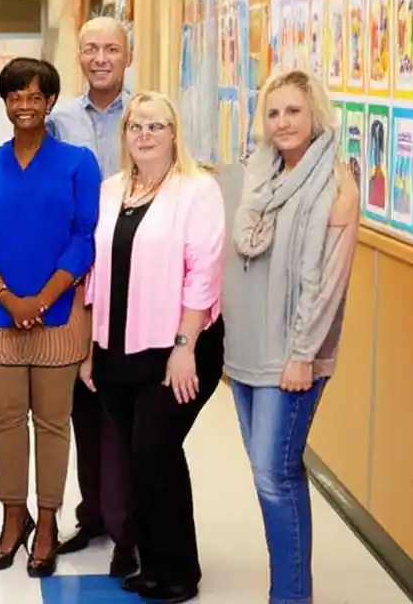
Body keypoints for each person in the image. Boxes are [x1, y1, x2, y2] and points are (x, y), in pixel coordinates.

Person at [219, 68, 360, 604]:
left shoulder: (335, 184)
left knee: (273, 474)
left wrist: (303, 355)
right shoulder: (261, 174)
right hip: (251, 351)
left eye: (294, 111)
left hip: (294, 356)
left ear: (315, 113)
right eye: (274, 112)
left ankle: (291, 597)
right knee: (274, 474)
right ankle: (292, 590)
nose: (283, 123)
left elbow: (326, 284)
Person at [83, 92, 226, 603]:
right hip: (117, 347)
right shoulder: (111, 189)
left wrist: (185, 345)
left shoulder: (197, 189)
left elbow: (204, 273)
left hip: (178, 349)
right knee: (136, 455)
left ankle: (180, 572)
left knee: (154, 449)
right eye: (136, 126)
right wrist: (88, 350)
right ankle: (152, 562)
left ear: (174, 134)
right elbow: (96, 274)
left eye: (156, 126)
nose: (145, 135)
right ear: (125, 136)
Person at [0, 57, 101, 578]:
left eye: (35, 95)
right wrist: (5, 295)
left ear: (49, 103)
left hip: (59, 316)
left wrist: (40, 300)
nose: (25, 104)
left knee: (52, 423)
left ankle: (46, 523)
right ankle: (12, 518)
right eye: (15, 95)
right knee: (4, 420)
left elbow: (83, 236)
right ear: (6, 104)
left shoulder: (77, 162)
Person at [46, 16, 137, 574]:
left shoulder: (148, 115)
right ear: (78, 56)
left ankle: (128, 524)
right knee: (81, 400)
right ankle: (95, 512)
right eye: (90, 49)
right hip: (78, 276)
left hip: (134, 273)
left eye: (111, 48)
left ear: (128, 55)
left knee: (125, 403)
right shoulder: (58, 122)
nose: (100, 57)